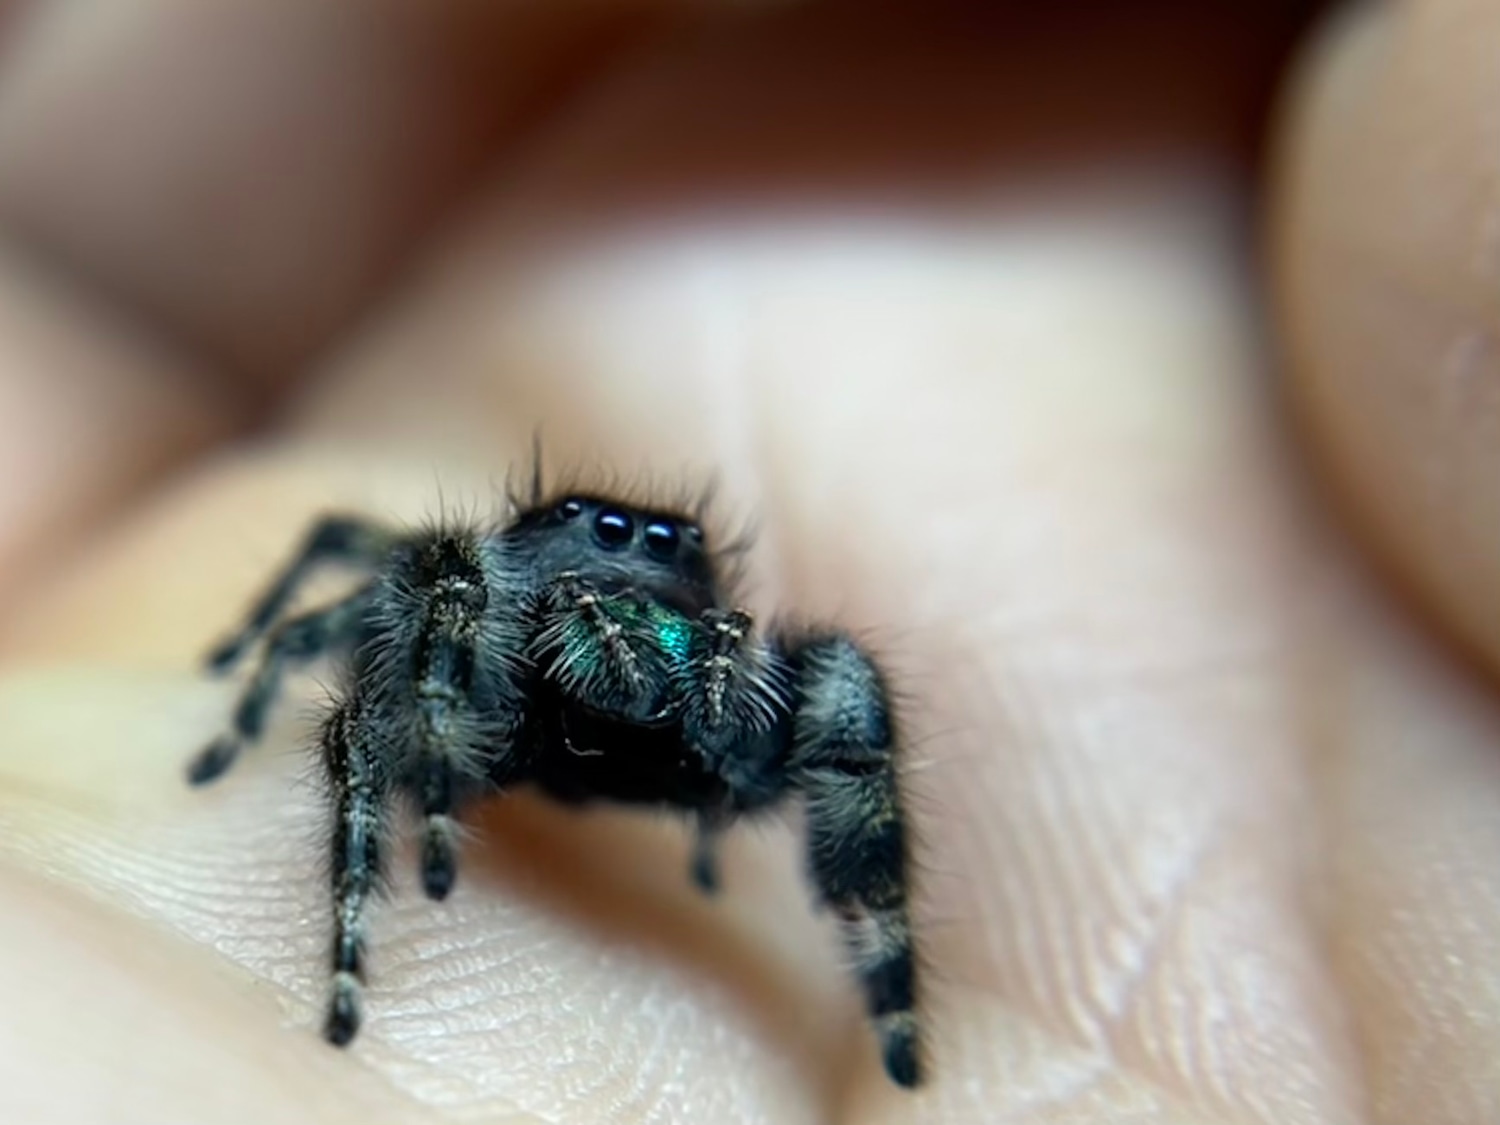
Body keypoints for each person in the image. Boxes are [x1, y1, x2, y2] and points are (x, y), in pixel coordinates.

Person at [0, 2, 1494, 1121]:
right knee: (406, 572)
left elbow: (806, 702)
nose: (617, 589)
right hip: (467, 732)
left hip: (664, 781)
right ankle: (346, 917)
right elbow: (374, 582)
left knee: (840, 674)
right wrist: (308, 723)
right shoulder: (471, 594)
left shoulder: (725, 669)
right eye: (577, 559)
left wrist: (880, 982)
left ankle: (893, 985)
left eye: (655, 570)